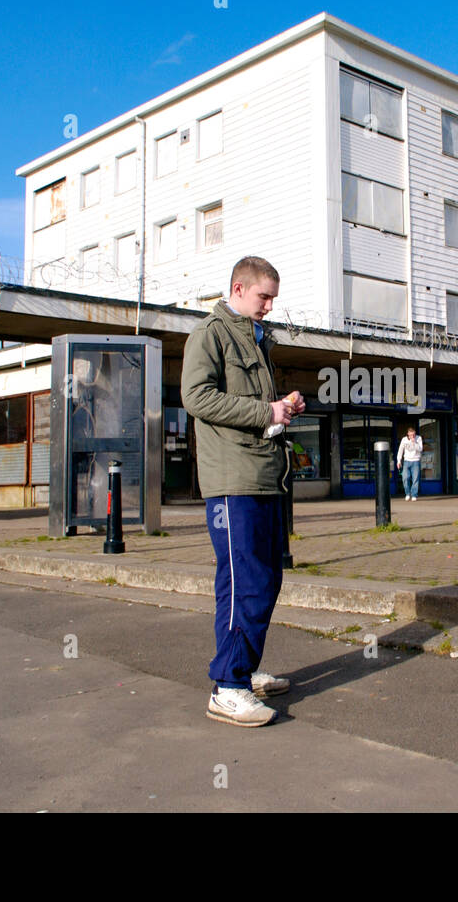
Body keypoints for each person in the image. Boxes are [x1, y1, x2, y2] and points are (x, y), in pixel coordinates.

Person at [181, 255, 305, 728]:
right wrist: (265, 413)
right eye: (263, 297)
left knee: (265, 579)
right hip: (233, 481)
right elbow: (196, 397)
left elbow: (254, 406)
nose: (270, 306)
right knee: (245, 583)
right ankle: (229, 687)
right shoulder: (209, 335)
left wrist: (282, 407)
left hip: (263, 475)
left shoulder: (256, 338)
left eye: (273, 298)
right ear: (238, 290)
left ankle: (242, 671)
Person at [396, 426, 423, 500]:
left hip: (416, 461)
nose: (412, 436)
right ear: (408, 434)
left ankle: (414, 495)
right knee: (405, 477)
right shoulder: (404, 439)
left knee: (415, 479)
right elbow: (400, 450)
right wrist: (399, 461)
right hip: (406, 461)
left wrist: (414, 442)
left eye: (413, 435)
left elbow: (420, 449)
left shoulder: (419, 438)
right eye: (410, 435)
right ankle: (407, 493)